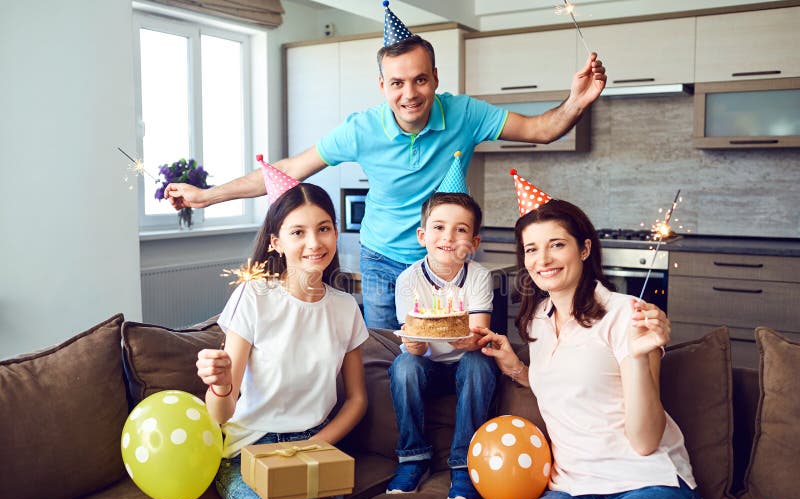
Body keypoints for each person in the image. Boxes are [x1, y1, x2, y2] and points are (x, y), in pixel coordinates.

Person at [164, 4, 608, 330]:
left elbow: (540, 129)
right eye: (397, 82)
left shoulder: (466, 114)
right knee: (387, 351)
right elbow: (288, 170)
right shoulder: (361, 130)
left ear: (435, 77)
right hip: (383, 261)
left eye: (419, 79)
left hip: (449, 258)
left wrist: (576, 101)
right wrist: (208, 194)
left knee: (459, 350)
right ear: (382, 86)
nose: (409, 93)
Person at [474, 197, 703, 499]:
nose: (543, 259)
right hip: (571, 492)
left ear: (584, 249)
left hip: (648, 485)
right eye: (532, 249)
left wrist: (638, 356)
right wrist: (516, 369)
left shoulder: (628, 314)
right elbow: (572, 387)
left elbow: (645, 441)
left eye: (557, 245)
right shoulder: (538, 319)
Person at [195, 178, 369, 499]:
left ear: (336, 233)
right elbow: (220, 415)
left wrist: (312, 445)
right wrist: (222, 386)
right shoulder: (254, 297)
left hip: (317, 443)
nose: (314, 243)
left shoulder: (346, 308)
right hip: (249, 447)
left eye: (323, 229)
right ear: (276, 242)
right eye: (298, 232)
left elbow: (356, 400)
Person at [387, 191, 497, 499]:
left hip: (466, 365)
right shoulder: (408, 280)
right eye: (438, 227)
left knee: (479, 361)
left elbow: (478, 329)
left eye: (460, 229)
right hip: (427, 368)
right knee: (404, 365)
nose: (448, 237)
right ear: (422, 236)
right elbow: (414, 345)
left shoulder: (479, 277)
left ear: (473, 243)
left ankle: (464, 463)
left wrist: (472, 339)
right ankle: (413, 458)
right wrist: (413, 344)